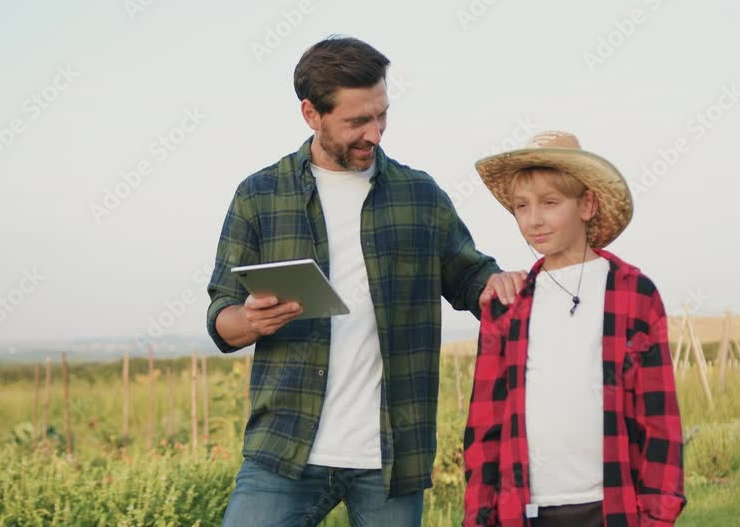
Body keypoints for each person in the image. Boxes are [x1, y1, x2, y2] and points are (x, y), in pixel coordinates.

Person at [207, 36, 526, 527]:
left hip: (391, 456)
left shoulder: (420, 195)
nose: (375, 133)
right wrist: (250, 320)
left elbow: (471, 277)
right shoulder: (259, 195)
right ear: (311, 114)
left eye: (381, 115)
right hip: (284, 450)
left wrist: (498, 284)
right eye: (357, 121)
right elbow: (221, 317)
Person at [462, 131, 686, 526]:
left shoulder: (635, 294)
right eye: (521, 206)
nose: (534, 219)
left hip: (610, 506)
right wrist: (479, 516)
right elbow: (485, 426)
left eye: (550, 203)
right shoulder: (506, 306)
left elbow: (659, 417)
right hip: (526, 511)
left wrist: (657, 514)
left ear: (586, 204)